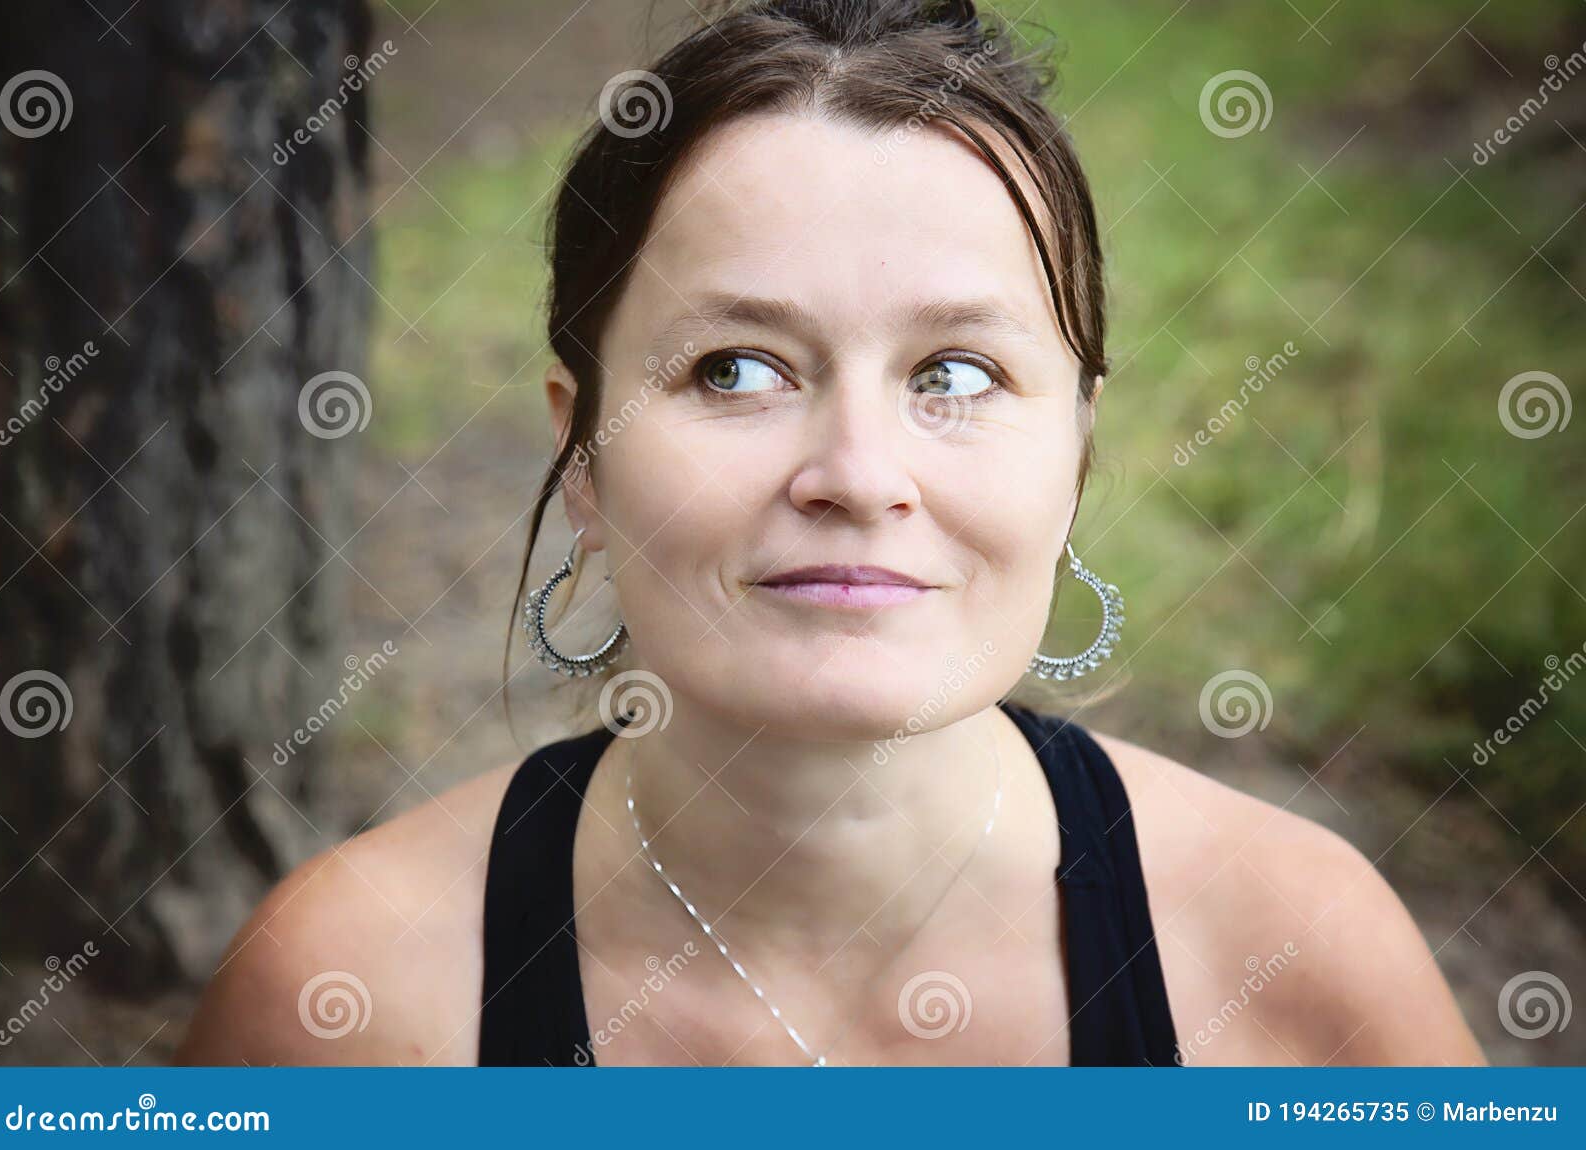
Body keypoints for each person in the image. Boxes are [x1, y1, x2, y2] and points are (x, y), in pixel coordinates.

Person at [175, 0, 1486, 1067]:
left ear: (1077, 450)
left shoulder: (1296, 969)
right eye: (738, 369)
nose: (858, 476)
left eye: (956, 374)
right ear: (584, 456)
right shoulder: (346, 1002)